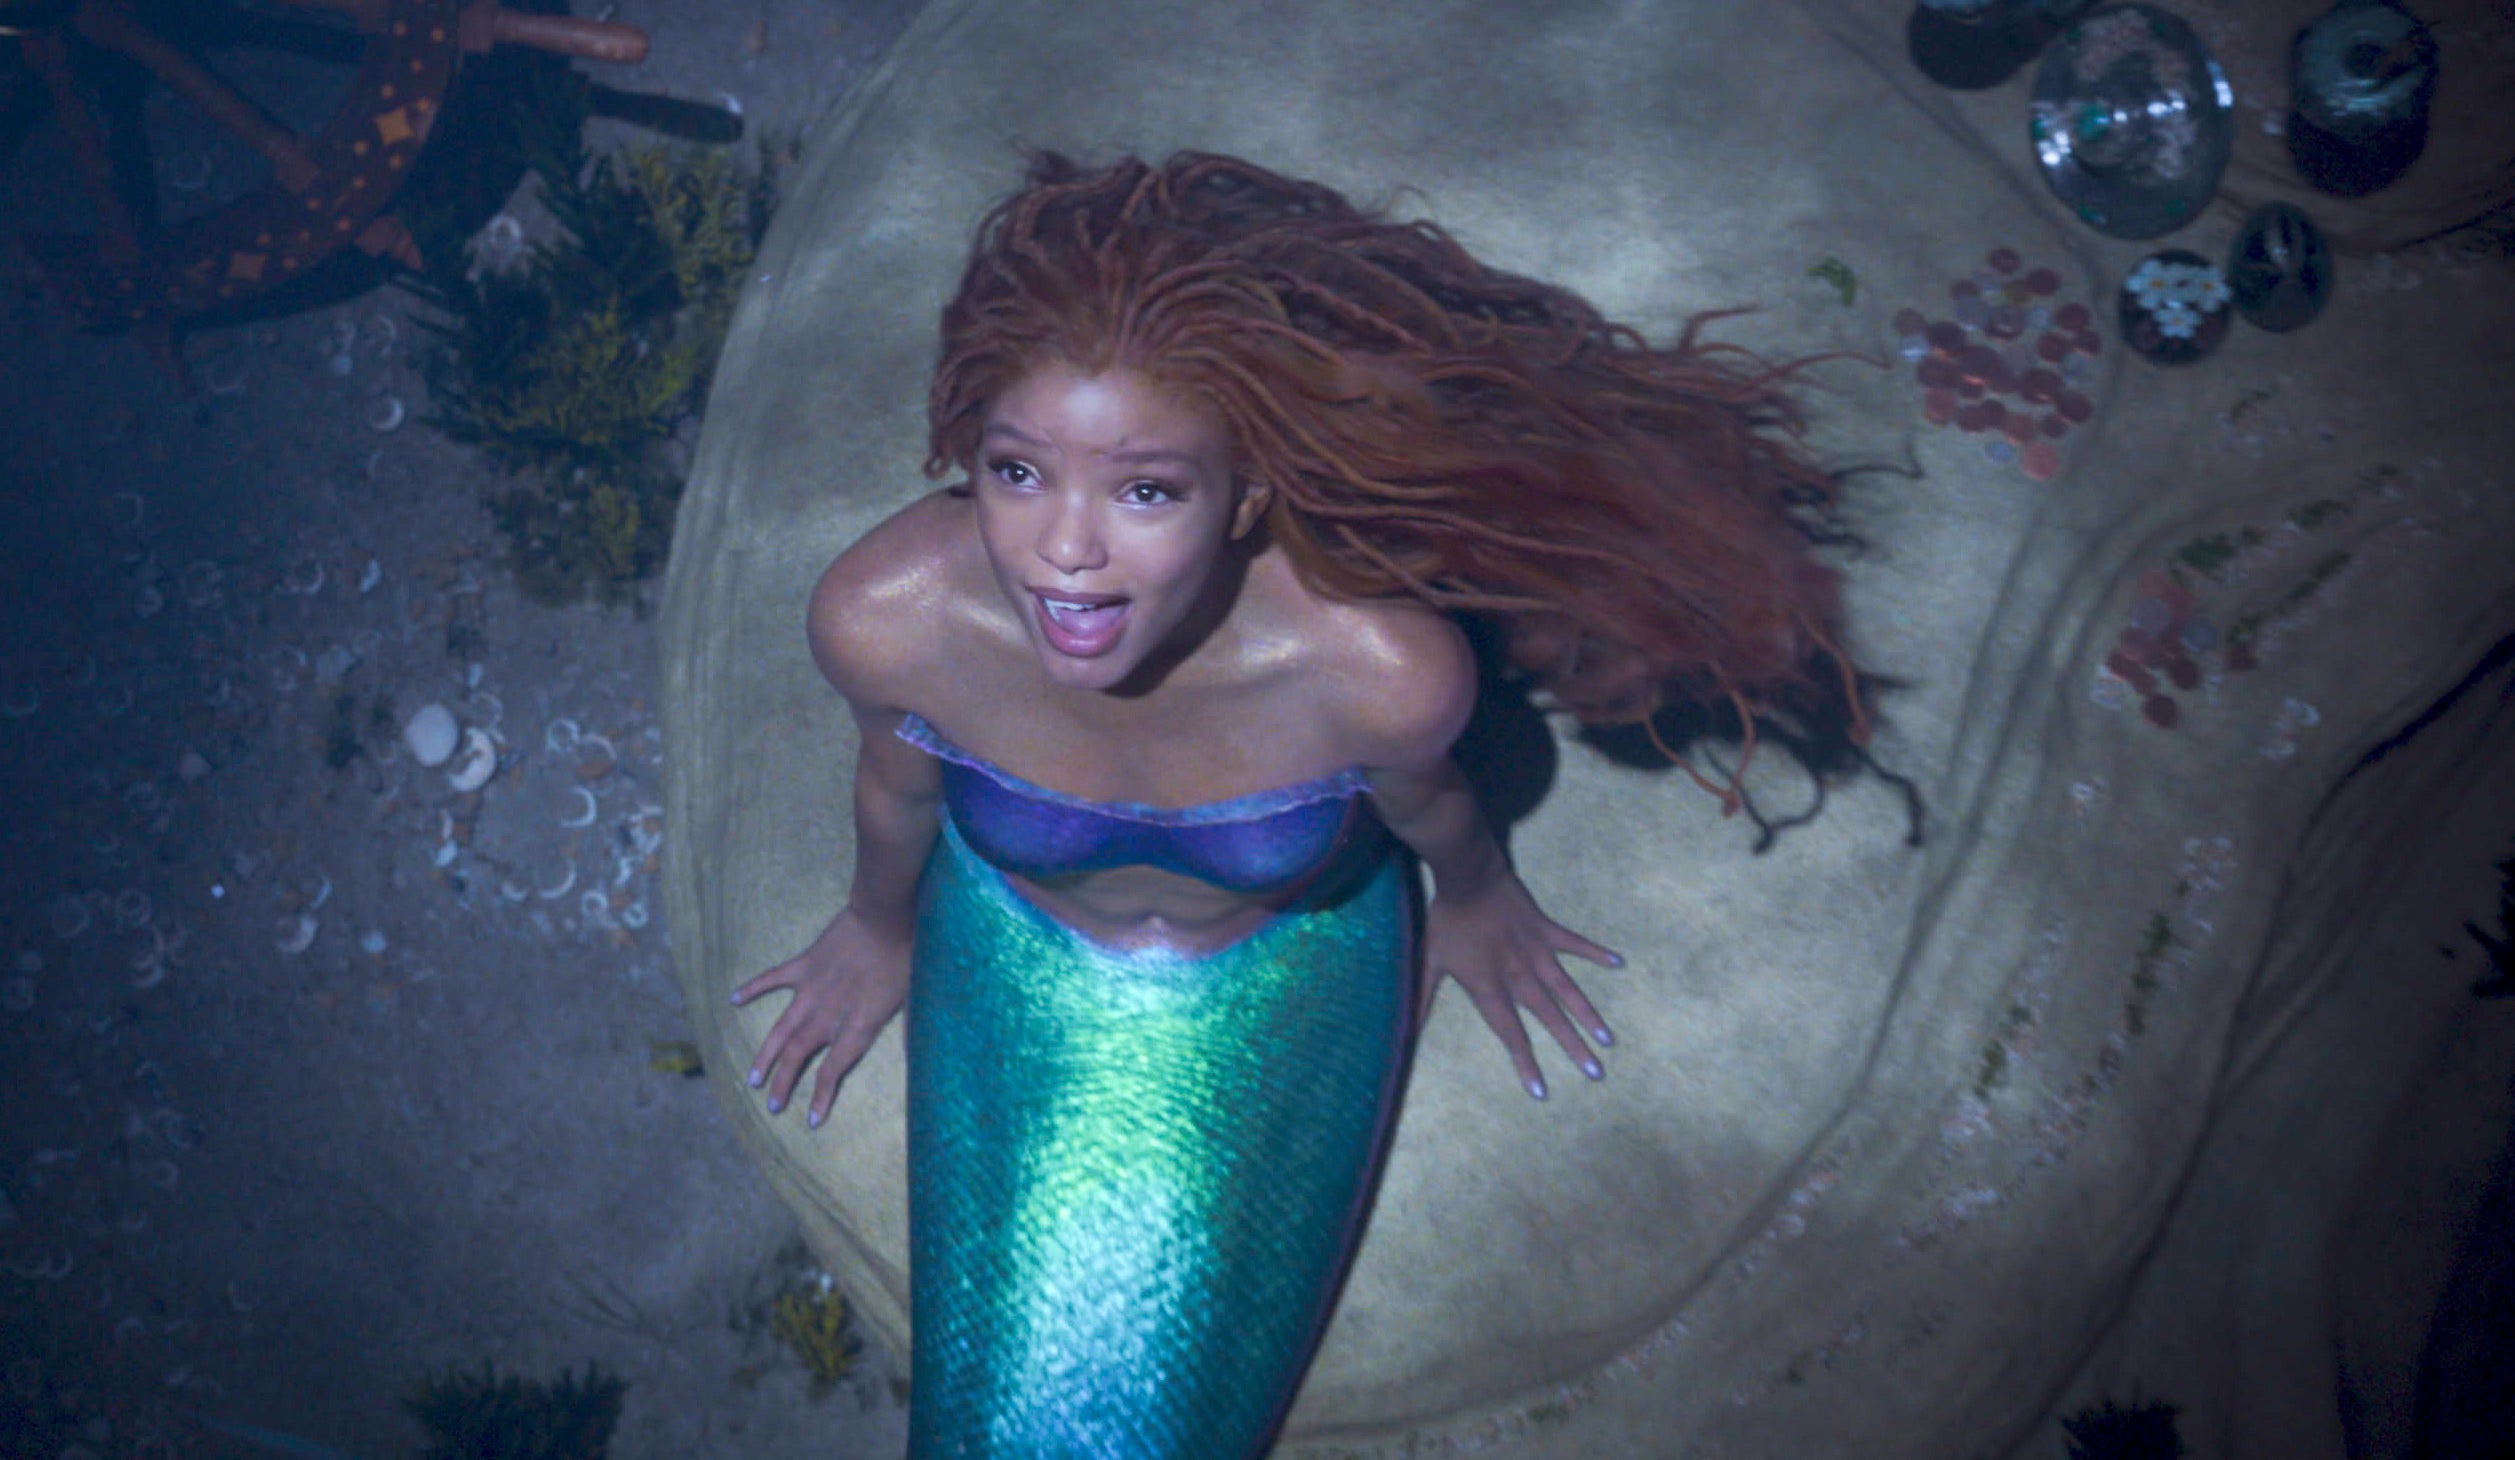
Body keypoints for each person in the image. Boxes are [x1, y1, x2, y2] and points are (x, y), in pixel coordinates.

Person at [730, 148, 1872, 1457]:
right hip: (1011, 953)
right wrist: (877, 926)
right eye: (1017, 471)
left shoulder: (1372, 671)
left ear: (1247, 497)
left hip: (1282, 972)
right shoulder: (888, 616)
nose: (1065, 548)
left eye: (1146, 490)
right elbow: (894, 785)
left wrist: (1479, 898)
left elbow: (1432, 807)